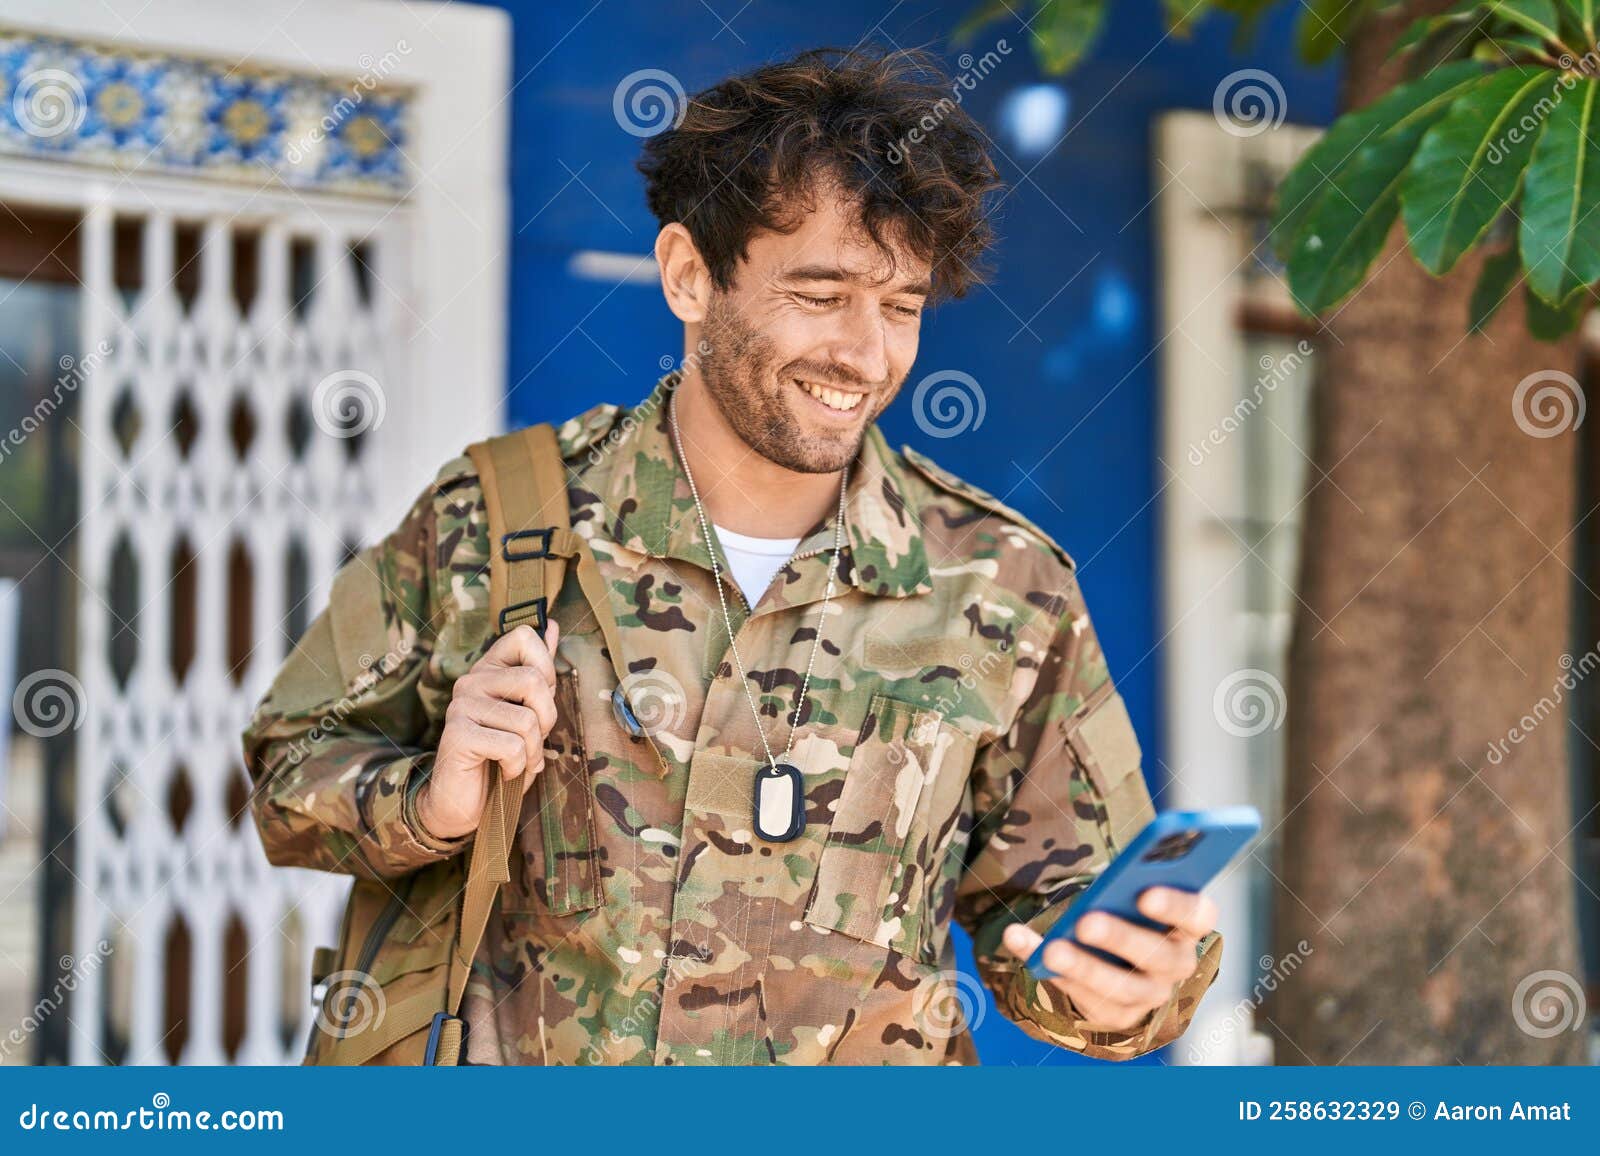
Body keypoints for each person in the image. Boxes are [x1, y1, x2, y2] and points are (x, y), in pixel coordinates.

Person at [242, 43, 1220, 1065]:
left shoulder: (1002, 584)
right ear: (687, 276)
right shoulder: (491, 521)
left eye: (900, 306)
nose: (863, 352)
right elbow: (286, 775)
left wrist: (1123, 986)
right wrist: (433, 798)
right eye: (819, 293)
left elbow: (1066, 926)